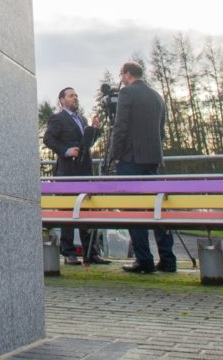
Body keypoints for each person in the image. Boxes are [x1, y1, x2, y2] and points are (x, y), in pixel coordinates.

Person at [105, 61, 175, 273]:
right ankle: (168, 259)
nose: (121, 78)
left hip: (131, 158)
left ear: (127, 74)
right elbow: (161, 131)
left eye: (121, 75)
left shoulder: (127, 93)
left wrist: (114, 155)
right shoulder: (157, 97)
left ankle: (143, 259)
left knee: (133, 209)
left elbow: (121, 126)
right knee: (157, 208)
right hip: (152, 159)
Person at [42, 86, 108, 265]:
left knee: (87, 211)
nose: (75, 98)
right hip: (67, 172)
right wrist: (65, 150)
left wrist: (94, 130)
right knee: (68, 212)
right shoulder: (57, 118)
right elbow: (48, 139)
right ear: (62, 100)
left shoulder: (82, 119)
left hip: (84, 170)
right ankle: (68, 252)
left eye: (76, 95)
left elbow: (87, 144)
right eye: (71, 96)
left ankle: (90, 252)